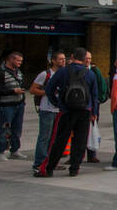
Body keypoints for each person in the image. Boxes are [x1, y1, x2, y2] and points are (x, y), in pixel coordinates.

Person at [35, 48, 99, 178]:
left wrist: (57, 103)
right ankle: (74, 168)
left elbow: (49, 89)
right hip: (84, 110)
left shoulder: (63, 71)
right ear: (84, 59)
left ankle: (49, 168)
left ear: (72, 56)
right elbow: (94, 95)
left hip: (66, 110)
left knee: (60, 140)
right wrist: (94, 112)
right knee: (80, 141)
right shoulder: (90, 73)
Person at [29, 51, 67, 169]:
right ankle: (39, 162)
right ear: (53, 61)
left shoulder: (64, 74)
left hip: (59, 109)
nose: (63, 61)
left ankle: (51, 161)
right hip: (47, 109)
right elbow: (32, 90)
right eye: (60, 59)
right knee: (45, 136)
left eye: (64, 59)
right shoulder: (45, 74)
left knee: (55, 137)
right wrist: (47, 92)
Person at [0, 51, 27, 160]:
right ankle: (0, 151)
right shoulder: (1, 73)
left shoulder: (18, 72)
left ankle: (15, 150)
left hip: (19, 104)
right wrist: (12, 91)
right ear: (10, 60)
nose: (20, 63)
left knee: (17, 129)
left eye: (21, 61)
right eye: (18, 60)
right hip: (6, 106)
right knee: (4, 128)